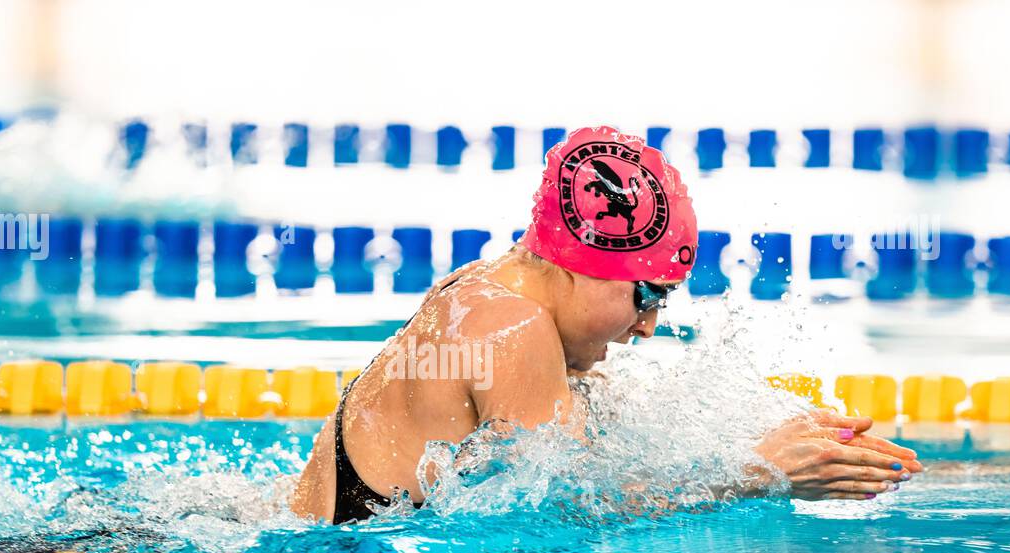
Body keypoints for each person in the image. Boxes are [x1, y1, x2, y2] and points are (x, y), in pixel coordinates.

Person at [290, 126, 923, 524]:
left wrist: (767, 435)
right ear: (580, 264)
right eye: (646, 295)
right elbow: (566, 511)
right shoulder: (509, 328)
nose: (647, 326)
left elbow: (578, 455)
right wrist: (759, 472)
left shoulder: (487, 285)